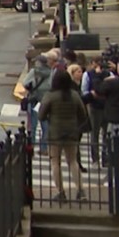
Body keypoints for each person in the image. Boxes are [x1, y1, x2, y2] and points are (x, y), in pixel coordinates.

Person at [39, 69, 89, 202]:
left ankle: (61, 192)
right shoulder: (74, 95)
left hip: (55, 133)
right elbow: (83, 114)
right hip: (72, 131)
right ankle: (81, 191)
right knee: (73, 161)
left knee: (55, 162)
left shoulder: (50, 96)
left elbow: (41, 115)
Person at [95, 56, 119, 169]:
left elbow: (99, 89)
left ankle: (117, 179)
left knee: (116, 151)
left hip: (117, 120)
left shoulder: (115, 83)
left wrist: (98, 75)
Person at [81, 55, 111, 163]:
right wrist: (91, 95)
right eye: (96, 62)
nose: (98, 64)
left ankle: (105, 156)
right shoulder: (87, 74)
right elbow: (84, 90)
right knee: (95, 133)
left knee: (106, 133)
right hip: (94, 106)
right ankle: (95, 157)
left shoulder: (108, 74)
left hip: (106, 106)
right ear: (92, 63)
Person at [22, 53, 54, 154]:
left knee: (32, 124)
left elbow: (25, 83)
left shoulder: (34, 72)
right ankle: (44, 147)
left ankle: (31, 145)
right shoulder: (50, 72)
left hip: (34, 100)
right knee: (45, 125)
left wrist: (32, 88)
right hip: (44, 101)